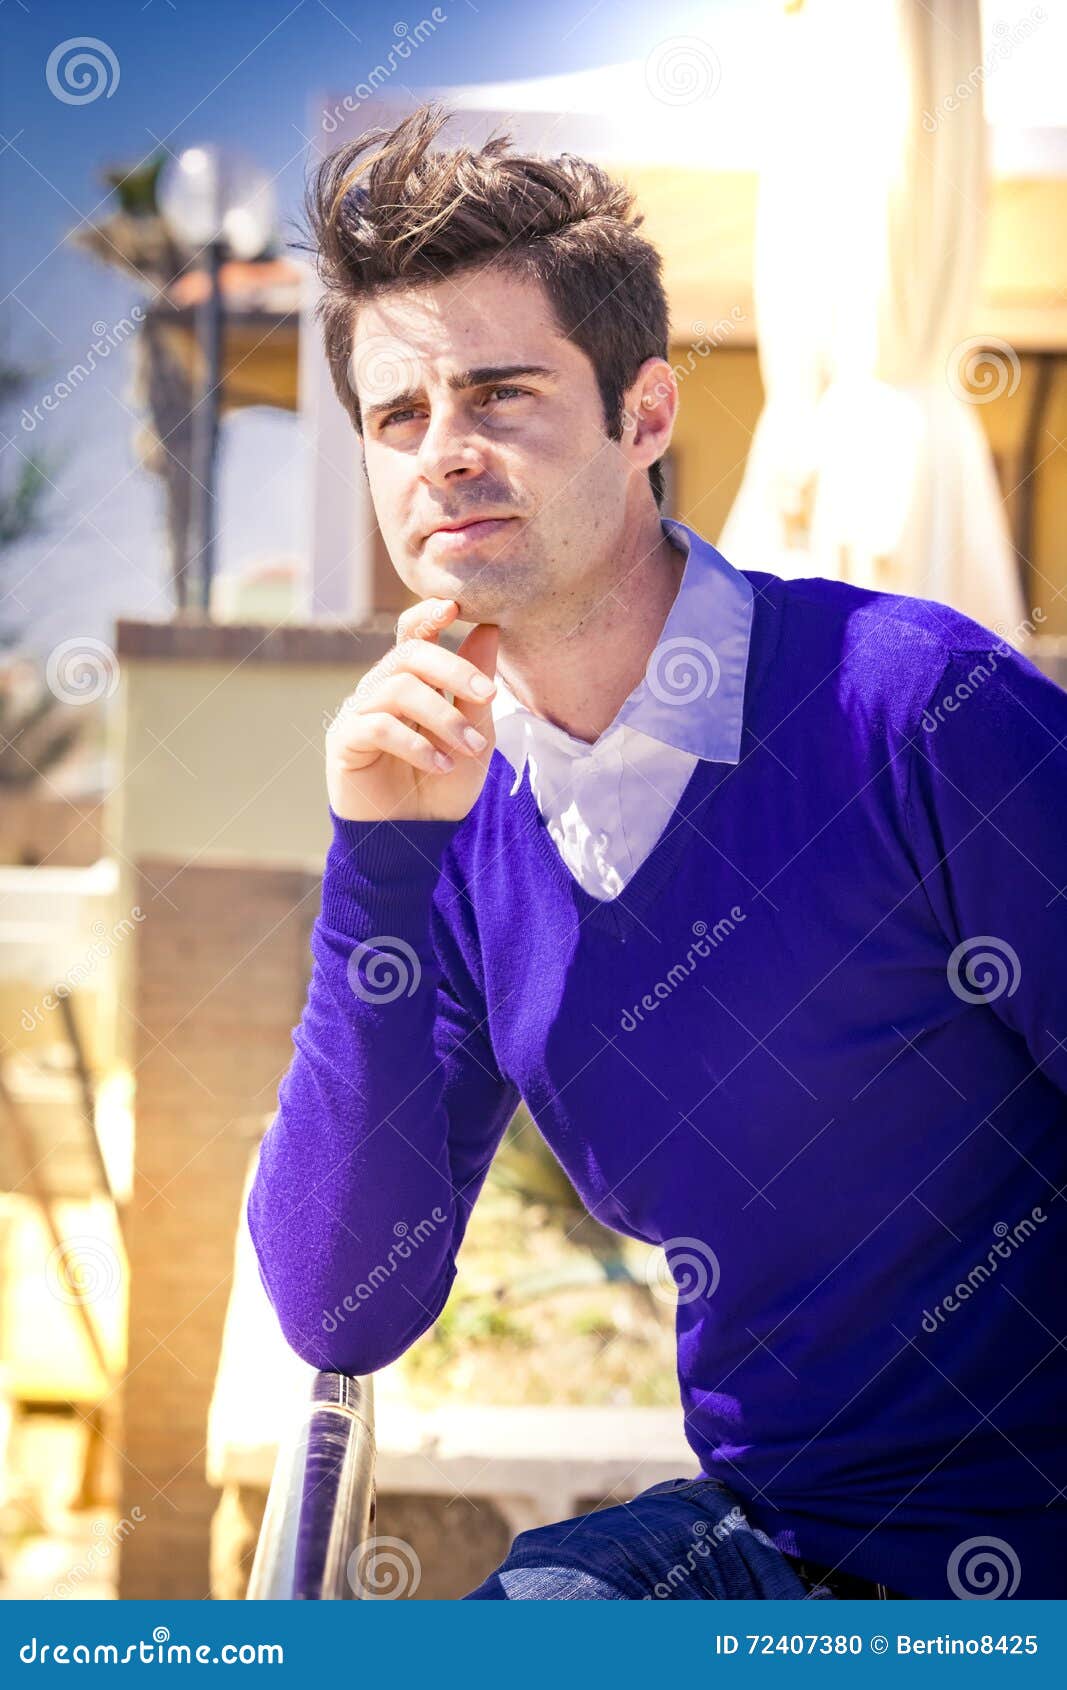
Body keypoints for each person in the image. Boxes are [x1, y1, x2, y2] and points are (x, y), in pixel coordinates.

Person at [247, 103, 1067, 1600]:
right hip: (772, 1544)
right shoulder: (450, 818)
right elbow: (339, 1302)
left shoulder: (914, 707)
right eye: (398, 415)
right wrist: (374, 859)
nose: (446, 453)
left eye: (502, 393)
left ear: (645, 415)